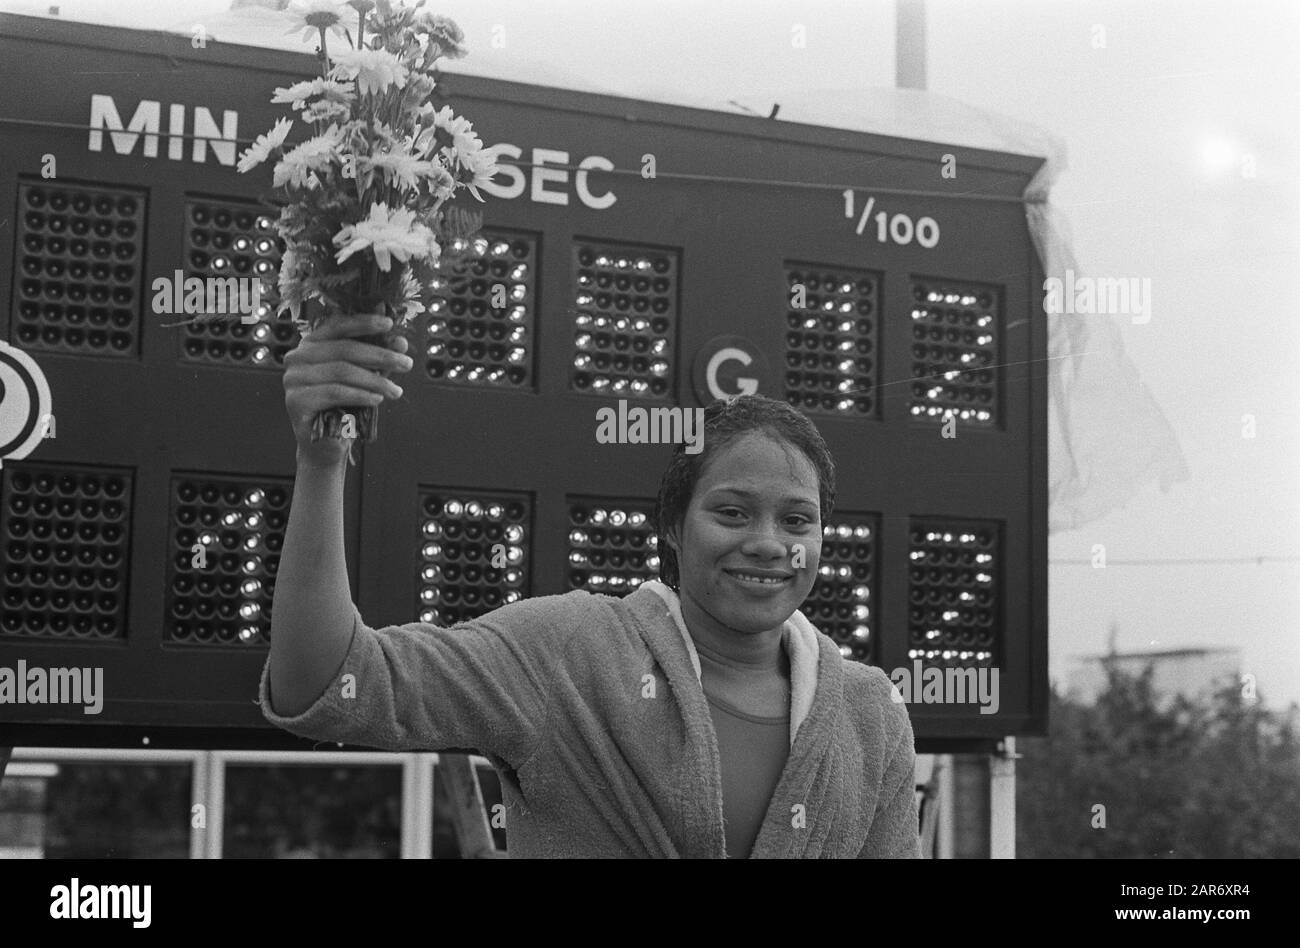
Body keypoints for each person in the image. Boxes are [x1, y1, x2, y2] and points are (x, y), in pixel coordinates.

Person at [261, 311, 920, 858]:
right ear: (672, 524)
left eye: (797, 520)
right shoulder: (568, 654)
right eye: (733, 512)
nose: (770, 542)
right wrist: (320, 461)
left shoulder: (870, 715)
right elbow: (330, 681)